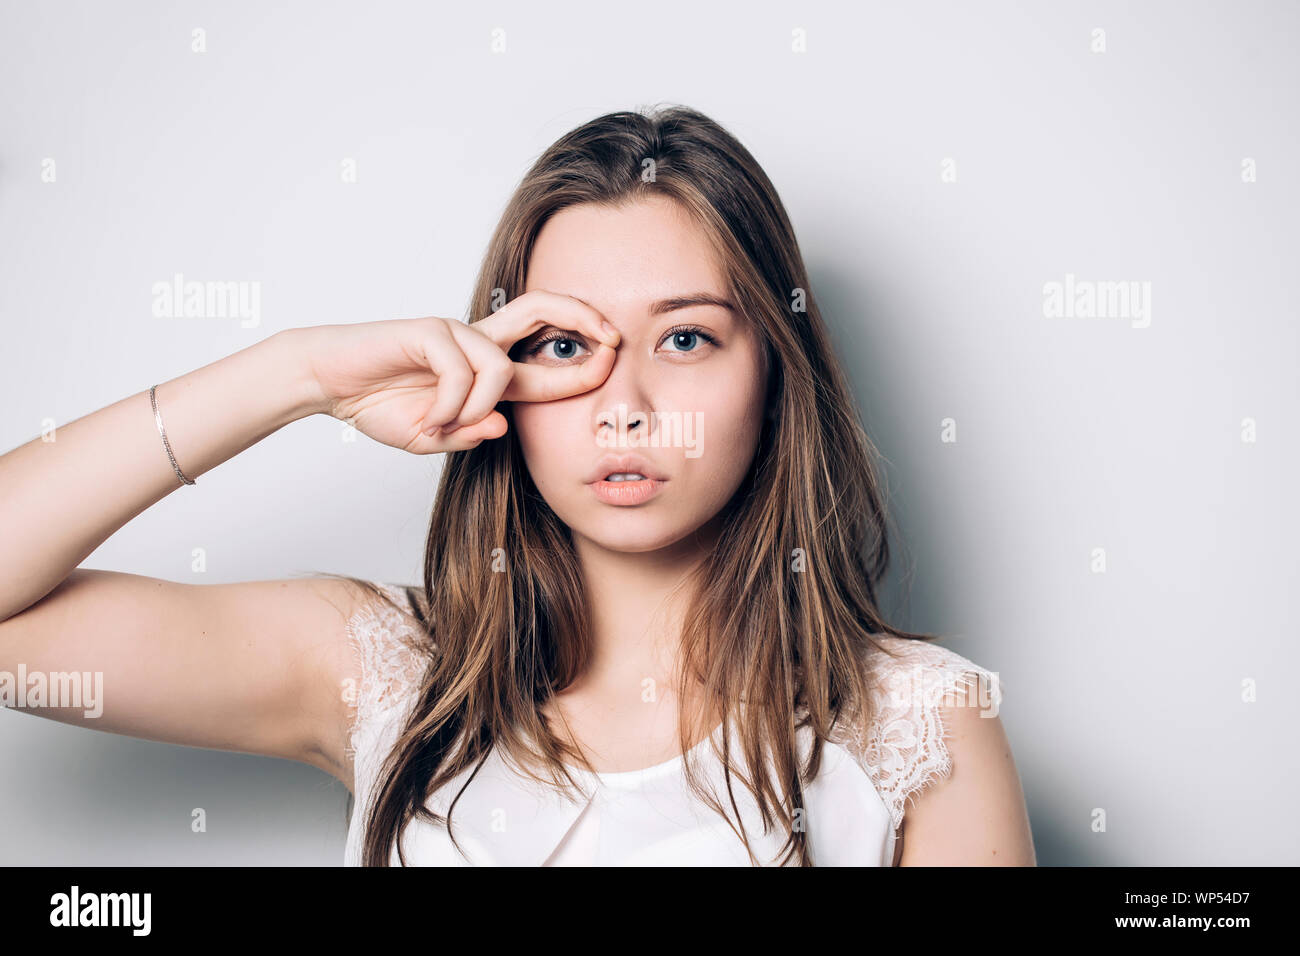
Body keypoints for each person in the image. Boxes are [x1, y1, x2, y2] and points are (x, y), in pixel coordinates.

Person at [0, 105, 1035, 866]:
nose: (621, 400)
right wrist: (299, 375)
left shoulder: (920, 721)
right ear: (502, 371)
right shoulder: (387, 673)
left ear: (773, 373)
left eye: (685, 335)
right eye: (562, 341)